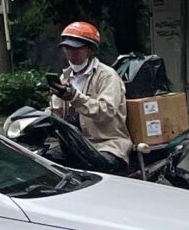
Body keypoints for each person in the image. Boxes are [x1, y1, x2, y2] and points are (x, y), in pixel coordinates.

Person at [50, 20, 132, 170]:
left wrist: (75, 97)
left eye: (77, 49)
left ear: (90, 49)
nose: (71, 53)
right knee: (44, 162)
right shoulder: (64, 78)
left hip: (106, 145)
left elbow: (106, 111)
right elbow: (57, 114)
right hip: (75, 145)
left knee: (91, 167)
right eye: (67, 48)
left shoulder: (107, 76)